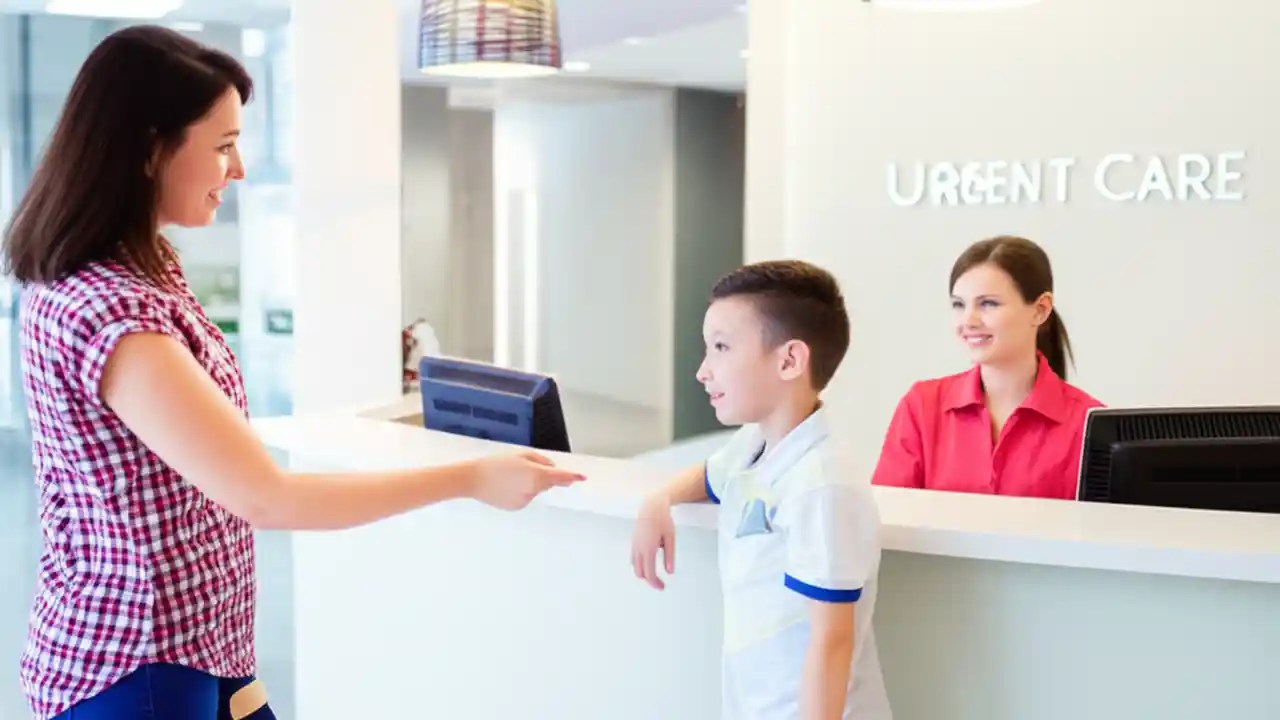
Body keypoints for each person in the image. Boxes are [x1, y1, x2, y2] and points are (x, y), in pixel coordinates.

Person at [2, 26, 583, 720]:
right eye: (223, 146)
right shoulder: (114, 310)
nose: (239, 169)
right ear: (151, 150)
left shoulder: (140, 271)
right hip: (141, 666)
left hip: (193, 645)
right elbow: (267, 498)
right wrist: (469, 478)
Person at [631, 260, 891, 720]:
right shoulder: (755, 443)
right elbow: (710, 476)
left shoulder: (823, 485)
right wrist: (659, 500)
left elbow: (831, 643)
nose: (703, 371)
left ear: (789, 360)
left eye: (721, 347)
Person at [871, 235, 1103, 500]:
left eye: (988, 304)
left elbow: (1107, 524)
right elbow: (888, 516)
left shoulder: (1090, 424)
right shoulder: (921, 407)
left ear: (1040, 310)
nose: (968, 321)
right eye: (959, 305)